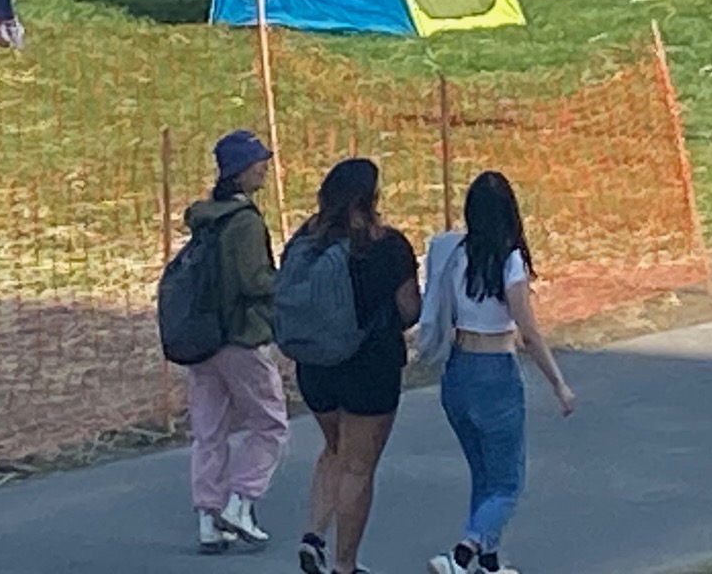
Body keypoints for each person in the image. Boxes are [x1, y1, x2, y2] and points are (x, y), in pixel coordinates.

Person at [417, 171, 576, 574]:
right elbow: (529, 331)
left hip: (458, 369)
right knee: (507, 483)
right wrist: (558, 383)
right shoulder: (509, 261)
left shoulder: (455, 254)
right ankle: (463, 553)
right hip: (495, 372)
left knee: (484, 475)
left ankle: (488, 561)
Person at [289, 160, 420, 574]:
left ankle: (314, 535)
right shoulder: (388, 247)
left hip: (315, 365)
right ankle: (344, 564)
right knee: (359, 468)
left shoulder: (305, 241)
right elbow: (409, 309)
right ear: (370, 198)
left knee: (333, 448)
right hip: (369, 368)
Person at [184, 130, 291, 554]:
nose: (263, 167)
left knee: (209, 429)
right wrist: (286, 284)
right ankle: (241, 502)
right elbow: (255, 280)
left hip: (203, 338)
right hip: (242, 336)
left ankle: (207, 518)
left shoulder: (206, 218)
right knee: (270, 423)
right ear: (239, 171)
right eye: (256, 162)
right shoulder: (244, 221)